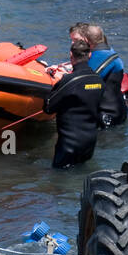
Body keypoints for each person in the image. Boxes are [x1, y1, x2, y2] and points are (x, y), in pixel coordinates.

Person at [43, 38, 103, 169]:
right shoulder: (99, 80)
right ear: (90, 55)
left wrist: (57, 82)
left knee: (60, 180)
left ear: (71, 55)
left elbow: (48, 107)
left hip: (69, 145)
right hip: (89, 144)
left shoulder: (69, 81)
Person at [69, 22, 128, 128]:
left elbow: (79, 82)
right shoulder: (111, 52)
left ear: (87, 40)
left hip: (106, 115)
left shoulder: (97, 58)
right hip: (120, 111)